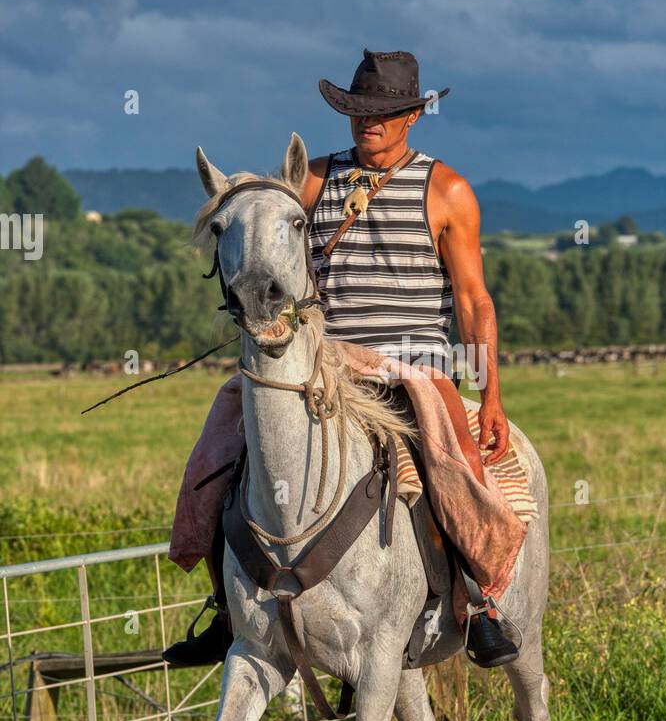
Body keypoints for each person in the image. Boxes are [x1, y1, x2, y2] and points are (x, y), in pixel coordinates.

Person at [163, 48, 519, 669]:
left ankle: (480, 598)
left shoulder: (448, 190)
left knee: (450, 459)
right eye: (357, 111)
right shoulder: (314, 178)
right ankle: (228, 607)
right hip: (322, 361)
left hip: (410, 366)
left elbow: (473, 300)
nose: (367, 123)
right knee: (226, 441)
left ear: (412, 115)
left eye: (381, 113)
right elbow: (267, 225)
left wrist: (488, 393)